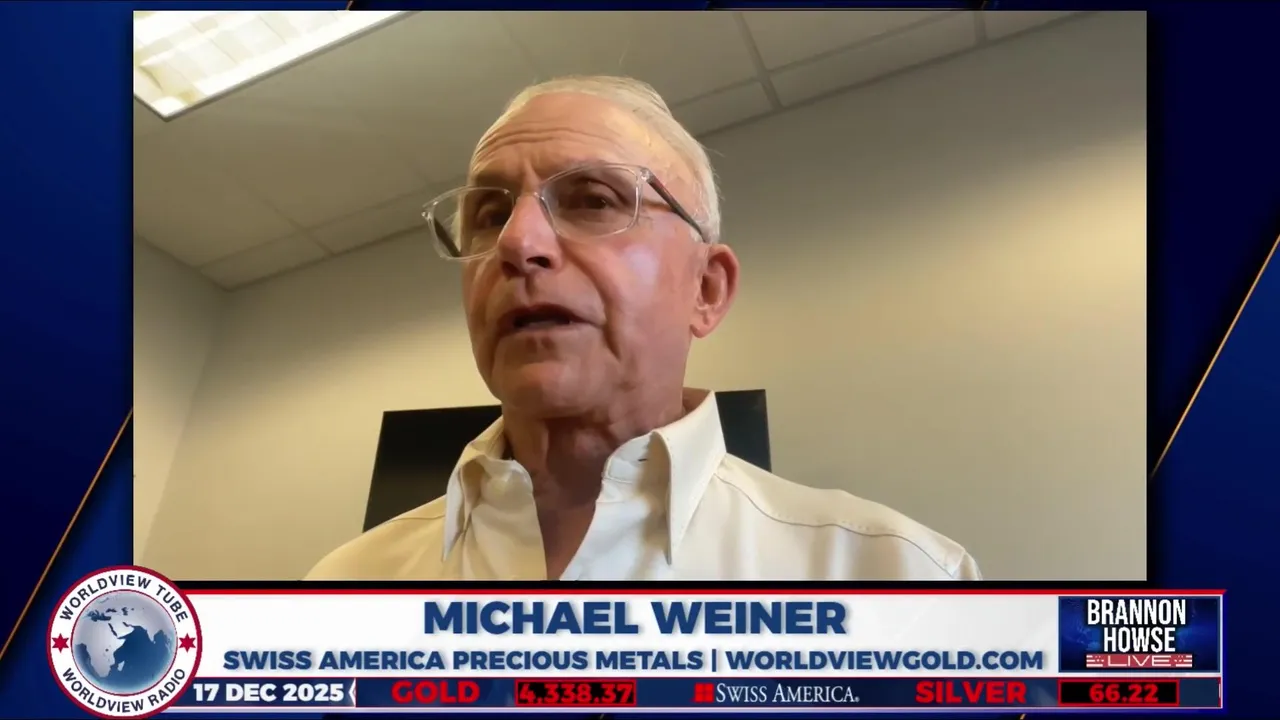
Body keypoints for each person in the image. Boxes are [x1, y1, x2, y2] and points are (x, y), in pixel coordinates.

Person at [306, 75, 981, 581]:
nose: (516, 243)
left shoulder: (895, 580)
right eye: (489, 213)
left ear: (706, 289)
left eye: (593, 200)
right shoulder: (343, 591)